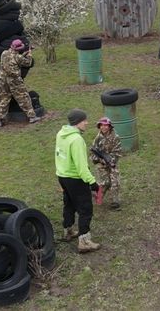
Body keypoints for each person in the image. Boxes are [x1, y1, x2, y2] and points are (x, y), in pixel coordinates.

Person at [55, 108, 102, 253]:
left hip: (62, 176)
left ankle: (67, 231)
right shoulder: (76, 140)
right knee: (85, 209)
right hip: (75, 179)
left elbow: (58, 155)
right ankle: (84, 241)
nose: (87, 123)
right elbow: (81, 167)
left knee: (69, 203)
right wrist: (93, 183)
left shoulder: (61, 134)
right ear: (77, 123)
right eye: (84, 121)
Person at [0, 39, 39, 127]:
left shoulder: (4, 53)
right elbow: (27, 62)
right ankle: (32, 117)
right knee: (23, 97)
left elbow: (14, 58)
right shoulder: (18, 57)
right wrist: (29, 53)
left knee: (3, 99)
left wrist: (24, 53)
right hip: (15, 81)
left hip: (3, 81)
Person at [90, 117, 122, 210]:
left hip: (112, 163)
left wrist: (110, 160)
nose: (104, 127)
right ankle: (98, 197)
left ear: (110, 126)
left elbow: (117, 152)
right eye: (102, 125)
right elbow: (92, 153)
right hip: (101, 165)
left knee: (115, 181)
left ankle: (115, 201)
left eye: (106, 125)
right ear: (99, 126)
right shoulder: (97, 138)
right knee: (105, 183)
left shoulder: (115, 137)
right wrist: (100, 160)